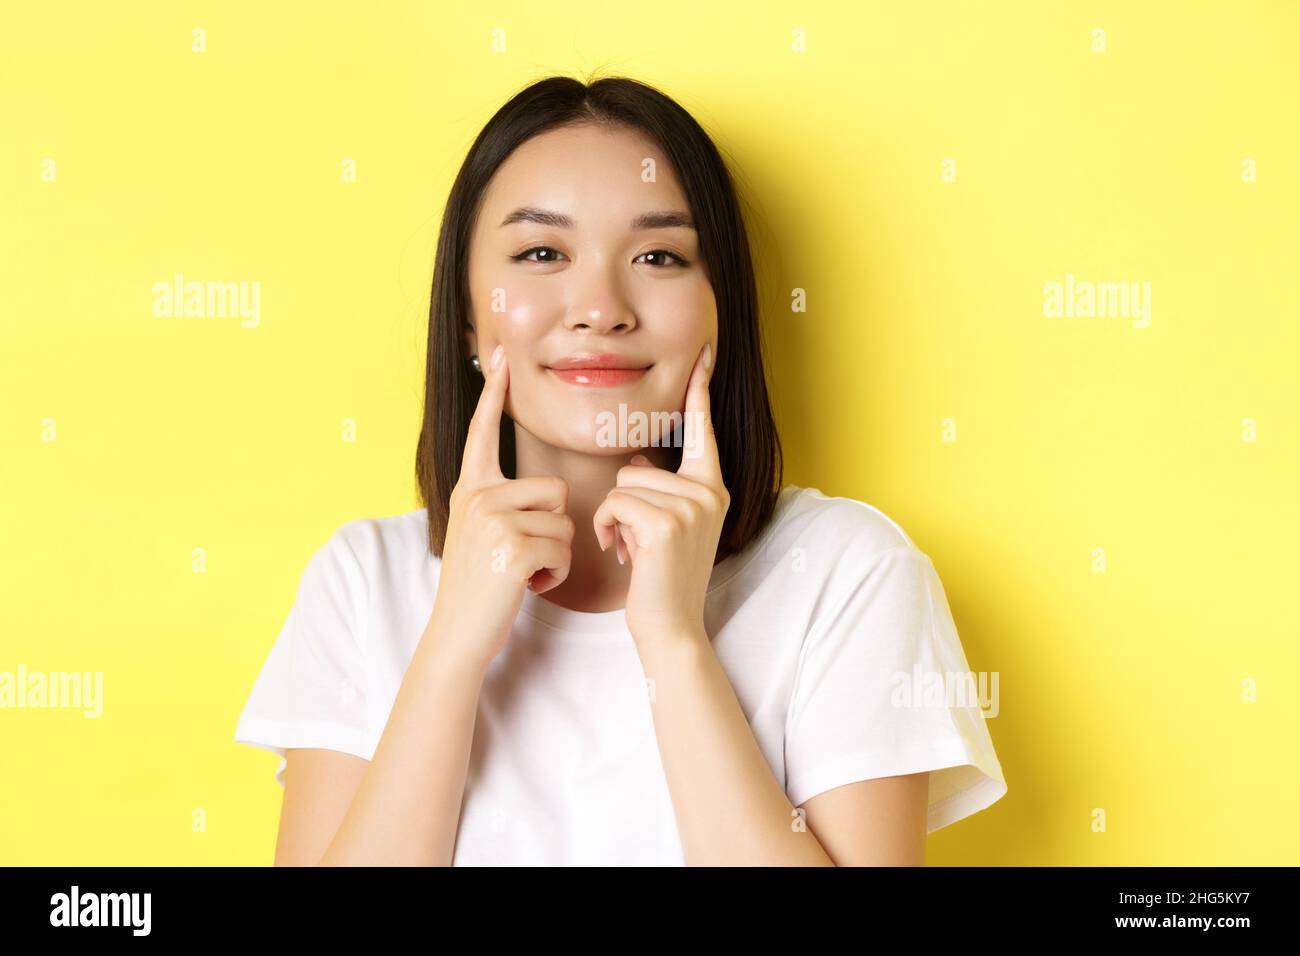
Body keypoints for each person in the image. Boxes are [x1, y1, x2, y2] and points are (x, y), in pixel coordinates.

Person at [234, 74, 1007, 866]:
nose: (600, 306)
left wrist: (674, 642)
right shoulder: (362, 581)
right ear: (469, 314)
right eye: (541, 252)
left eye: (658, 255)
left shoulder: (847, 573)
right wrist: (453, 646)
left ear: (719, 307)